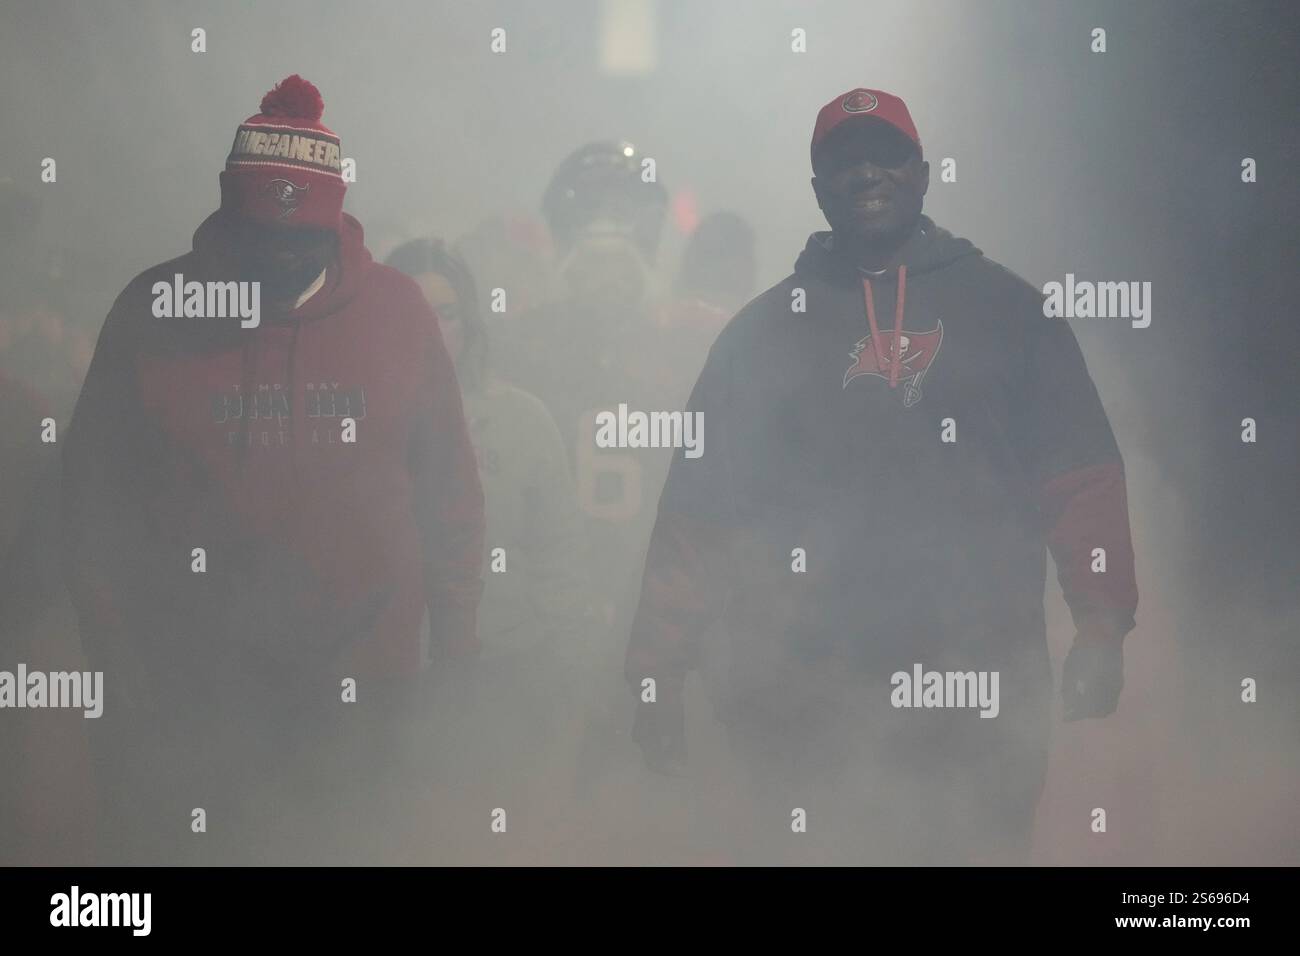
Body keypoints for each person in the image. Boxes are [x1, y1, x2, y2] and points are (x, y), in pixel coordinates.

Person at [626, 88, 1138, 864]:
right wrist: (658, 667)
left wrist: (1103, 623)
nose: (866, 173)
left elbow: (1082, 479)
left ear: (923, 172)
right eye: (843, 160)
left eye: (885, 155)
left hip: (981, 690)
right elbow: (698, 515)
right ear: (818, 188)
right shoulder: (762, 332)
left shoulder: (1011, 312)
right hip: (801, 698)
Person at [61, 75, 484, 864]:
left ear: (334, 225)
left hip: (368, 686)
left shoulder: (397, 312)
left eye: (301, 241)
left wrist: (455, 652)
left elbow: (451, 495)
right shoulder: (155, 311)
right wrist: (119, 664)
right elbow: (91, 507)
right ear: (228, 217)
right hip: (193, 688)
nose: (281, 259)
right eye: (262, 239)